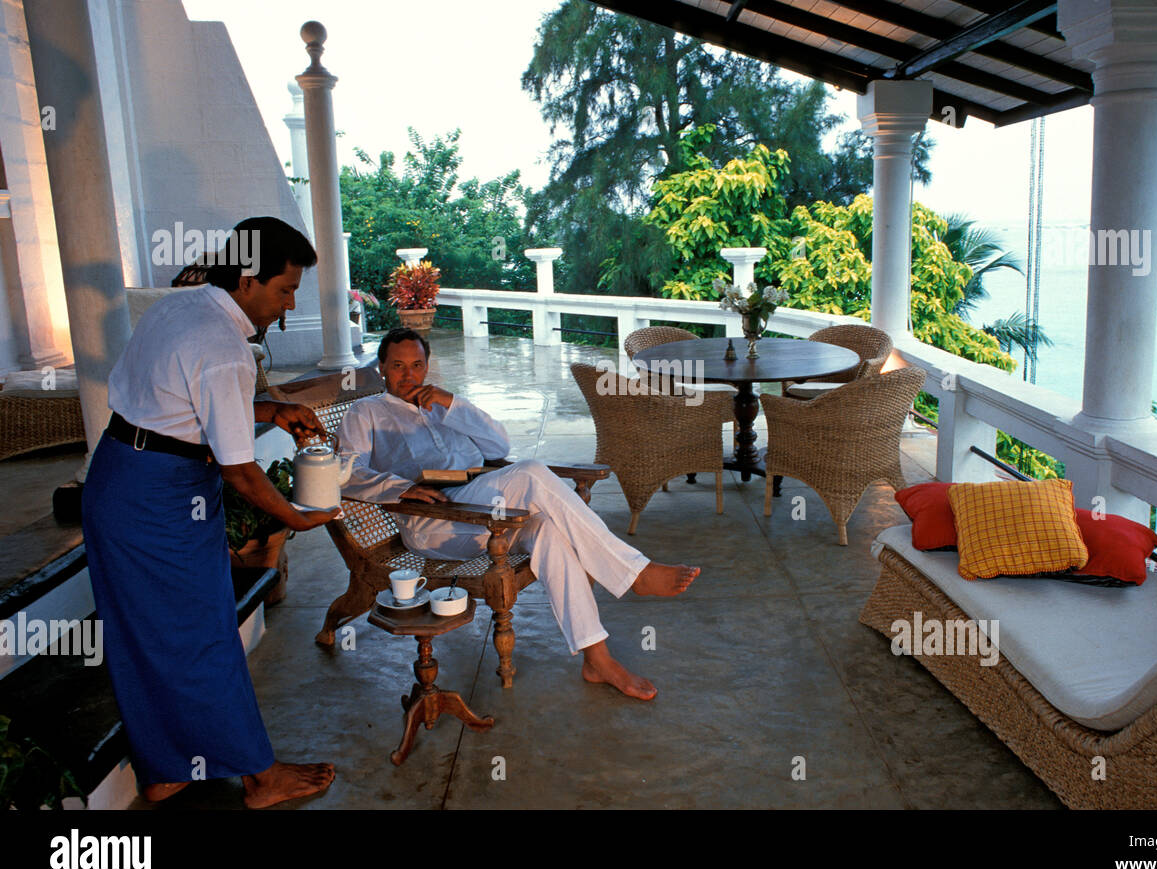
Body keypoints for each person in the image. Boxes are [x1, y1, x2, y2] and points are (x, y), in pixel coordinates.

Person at [82, 216, 338, 808]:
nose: (288, 303)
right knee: (203, 633)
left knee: (143, 633)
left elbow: (182, 404)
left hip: (121, 477)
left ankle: (166, 770)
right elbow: (242, 472)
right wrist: (294, 519)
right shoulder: (224, 347)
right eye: (284, 289)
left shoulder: (186, 305)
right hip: (158, 496)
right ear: (248, 280)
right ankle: (258, 775)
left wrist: (270, 410)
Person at [338, 328, 699, 700]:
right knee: (530, 471)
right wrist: (401, 488)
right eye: (397, 366)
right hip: (433, 522)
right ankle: (632, 572)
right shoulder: (366, 412)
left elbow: (498, 444)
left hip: (480, 506)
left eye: (416, 365)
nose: (408, 375)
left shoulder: (441, 407)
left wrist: (451, 403)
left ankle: (597, 658)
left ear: (427, 366)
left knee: (549, 532)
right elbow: (345, 471)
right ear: (381, 367)